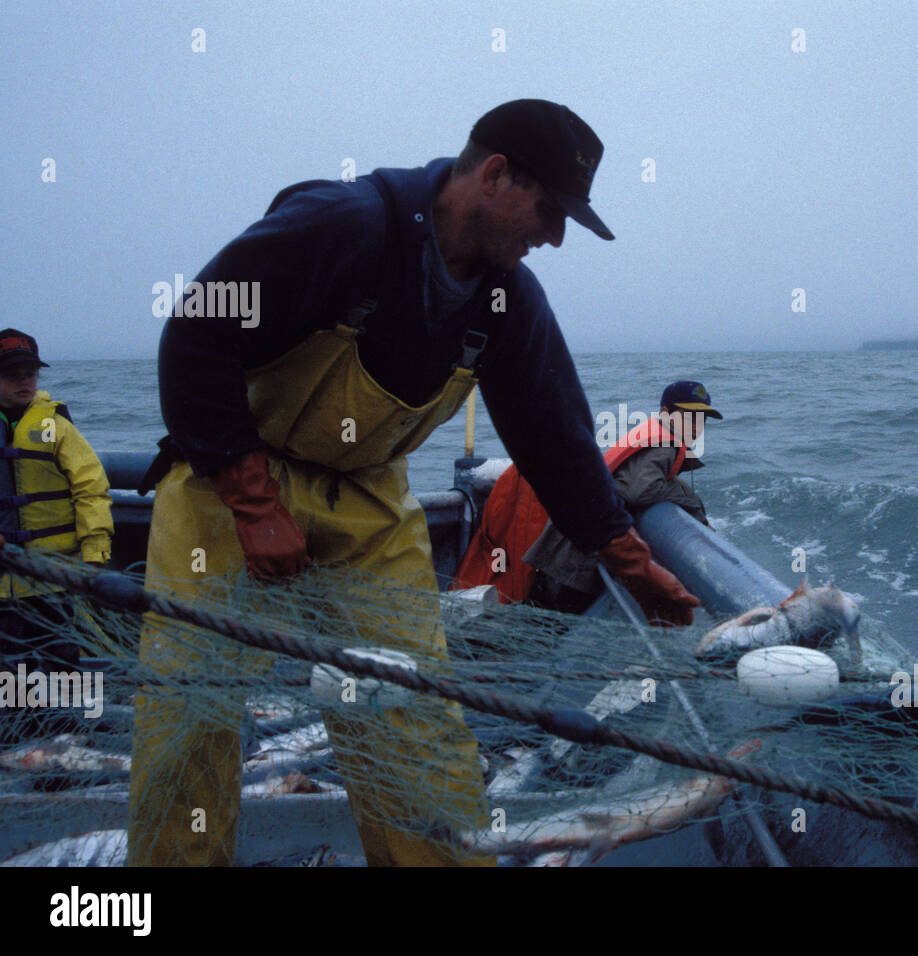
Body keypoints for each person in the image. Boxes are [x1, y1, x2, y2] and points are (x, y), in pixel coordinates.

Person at [129, 99, 700, 867]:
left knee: (412, 717)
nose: (555, 236)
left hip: (368, 502)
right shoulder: (343, 225)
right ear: (494, 175)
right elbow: (195, 336)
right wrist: (254, 503)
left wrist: (628, 558)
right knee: (190, 713)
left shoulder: (507, 302)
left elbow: (557, 441)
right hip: (226, 480)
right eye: (550, 210)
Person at [457, 381, 721, 615]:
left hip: (564, 543)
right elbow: (639, 490)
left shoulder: (653, 436)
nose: (696, 425)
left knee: (536, 613)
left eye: (702, 419)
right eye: (689, 416)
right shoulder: (666, 445)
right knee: (551, 622)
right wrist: (690, 499)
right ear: (665, 414)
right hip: (576, 556)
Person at [0, 330, 113, 741]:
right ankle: (21, 741)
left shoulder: (54, 426)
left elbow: (91, 485)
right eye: (11, 374)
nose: (23, 381)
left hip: (54, 575)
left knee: (64, 657)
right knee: (12, 668)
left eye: (28, 372)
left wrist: (95, 550)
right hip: (3, 585)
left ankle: (72, 735)